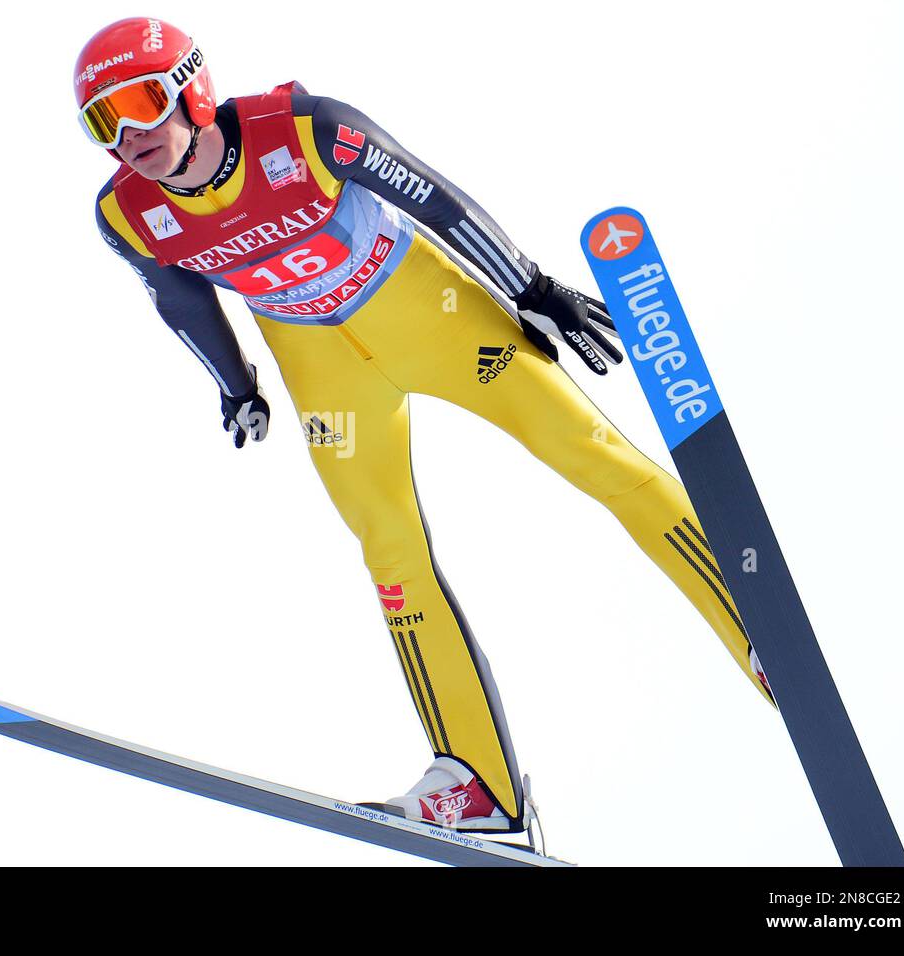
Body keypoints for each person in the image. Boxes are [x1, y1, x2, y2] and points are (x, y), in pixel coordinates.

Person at [79, 16, 774, 834]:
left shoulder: (305, 128)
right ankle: (480, 786)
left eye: (136, 103)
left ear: (190, 88)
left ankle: (760, 631)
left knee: (589, 453)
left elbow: (435, 198)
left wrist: (532, 286)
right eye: (101, 122)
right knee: (390, 553)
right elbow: (181, 295)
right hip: (324, 371)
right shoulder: (126, 214)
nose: (126, 136)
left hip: (430, 316)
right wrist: (237, 387)